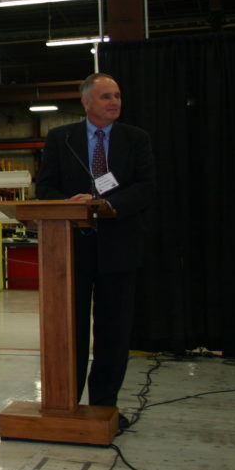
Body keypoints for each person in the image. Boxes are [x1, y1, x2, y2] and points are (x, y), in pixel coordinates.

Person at [35, 73, 154, 424]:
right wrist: (71, 203)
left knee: (113, 333)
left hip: (119, 247)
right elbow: (45, 188)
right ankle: (64, 404)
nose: (114, 102)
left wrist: (106, 203)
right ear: (87, 102)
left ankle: (104, 406)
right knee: (68, 330)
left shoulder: (136, 139)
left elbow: (146, 187)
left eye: (117, 95)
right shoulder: (61, 138)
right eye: (106, 96)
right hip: (70, 251)